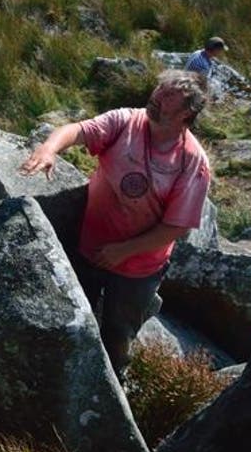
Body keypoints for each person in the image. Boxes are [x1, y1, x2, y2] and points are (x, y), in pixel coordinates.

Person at [20, 70, 212, 375]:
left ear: (187, 113)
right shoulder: (127, 121)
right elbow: (79, 130)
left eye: (166, 99)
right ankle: (62, 375)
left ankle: (113, 381)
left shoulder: (192, 162)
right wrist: (49, 148)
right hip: (90, 246)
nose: (155, 100)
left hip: (139, 268)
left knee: (117, 337)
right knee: (72, 316)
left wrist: (124, 251)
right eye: (157, 92)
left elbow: (177, 227)